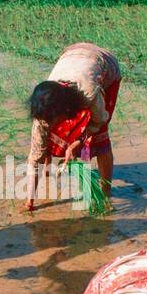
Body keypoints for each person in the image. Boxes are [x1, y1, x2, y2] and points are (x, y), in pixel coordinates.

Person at [25, 42, 121, 212]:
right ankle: (47, 171)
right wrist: (29, 201)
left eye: (52, 120)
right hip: (72, 55)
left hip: (105, 65)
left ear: (65, 110)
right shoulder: (43, 108)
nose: (48, 124)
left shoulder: (89, 93)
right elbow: (35, 155)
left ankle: (105, 192)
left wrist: (78, 142)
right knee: (43, 139)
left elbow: (99, 121)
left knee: (100, 138)